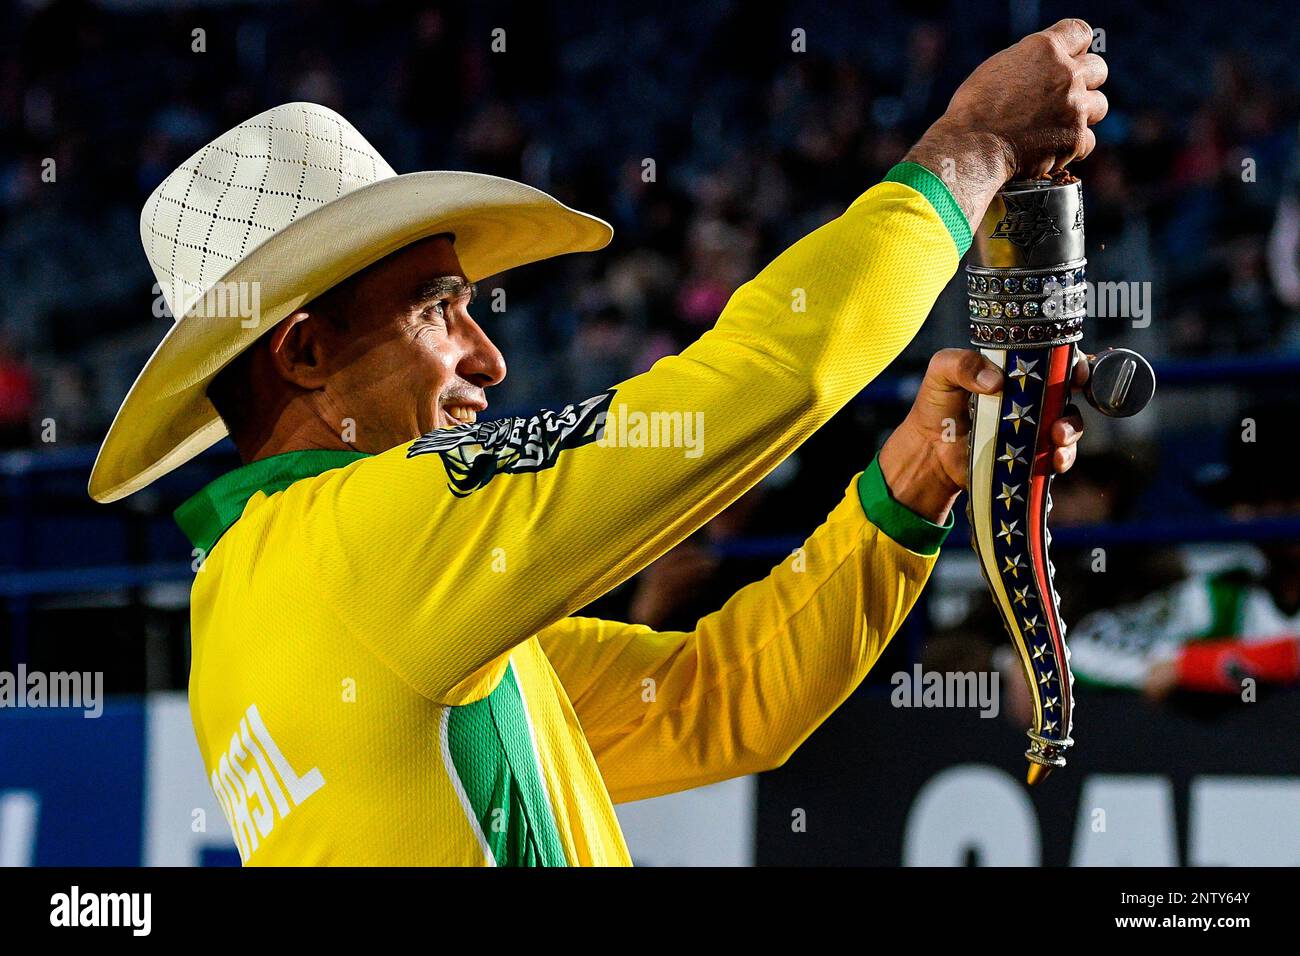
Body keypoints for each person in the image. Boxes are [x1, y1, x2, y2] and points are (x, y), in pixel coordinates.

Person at [90, 19, 1106, 865]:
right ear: (307, 353)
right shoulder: (367, 541)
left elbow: (720, 701)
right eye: (439, 309)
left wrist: (912, 481)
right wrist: (971, 144)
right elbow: (763, 379)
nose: (487, 357)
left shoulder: (262, 593)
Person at [1070, 403, 1300, 700]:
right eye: (1254, 499)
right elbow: (1085, 646)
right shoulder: (1223, 595)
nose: (1271, 516)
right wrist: (1167, 666)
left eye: (1289, 498)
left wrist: (1199, 665)